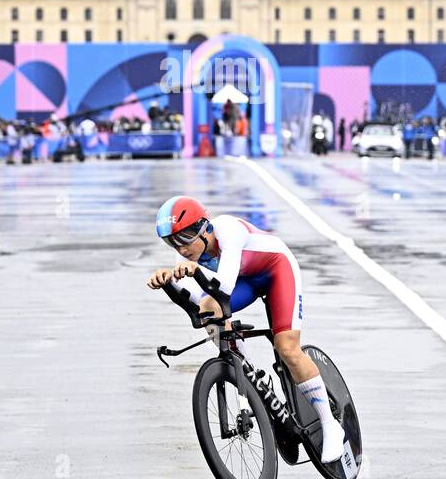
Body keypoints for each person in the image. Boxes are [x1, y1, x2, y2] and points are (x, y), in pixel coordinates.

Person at [147, 195, 347, 463]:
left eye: (184, 239)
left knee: (287, 347)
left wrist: (195, 272)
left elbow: (225, 287)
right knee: (209, 311)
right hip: (247, 280)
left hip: (276, 271)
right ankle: (252, 376)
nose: (181, 249)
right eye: (172, 242)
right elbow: (198, 305)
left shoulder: (228, 230)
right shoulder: (188, 256)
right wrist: (169, 283)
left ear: (204, 228)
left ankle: (330, 424)